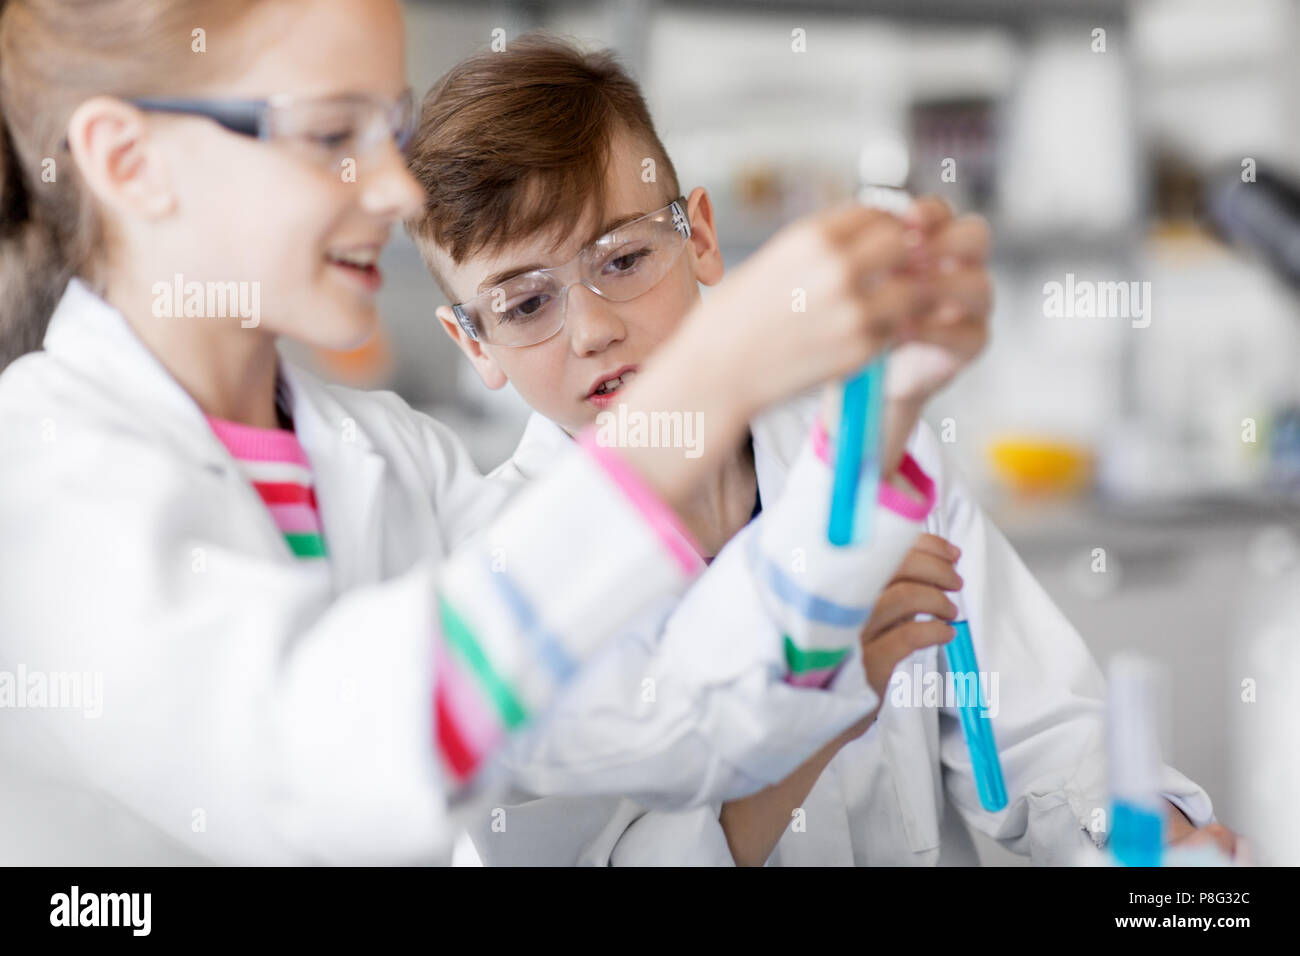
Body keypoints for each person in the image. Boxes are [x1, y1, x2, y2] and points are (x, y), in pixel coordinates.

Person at [0, 0, 930, 864]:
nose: (400, 191)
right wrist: (713, 378)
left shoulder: (396, 458)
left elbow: (644, 718)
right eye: (332, 135)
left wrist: (881, 425)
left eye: (391, 133)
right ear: (129, 162)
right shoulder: (46, 471)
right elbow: (334, 758)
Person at [406, 33, 1231, 865]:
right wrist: (821, 693)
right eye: (522, 306)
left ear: (698, 238)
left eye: (623, 259)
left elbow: (1043, 738)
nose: (593, 330)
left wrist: (1153, 844)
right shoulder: (501, 579)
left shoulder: (867, 448)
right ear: (472, 342)